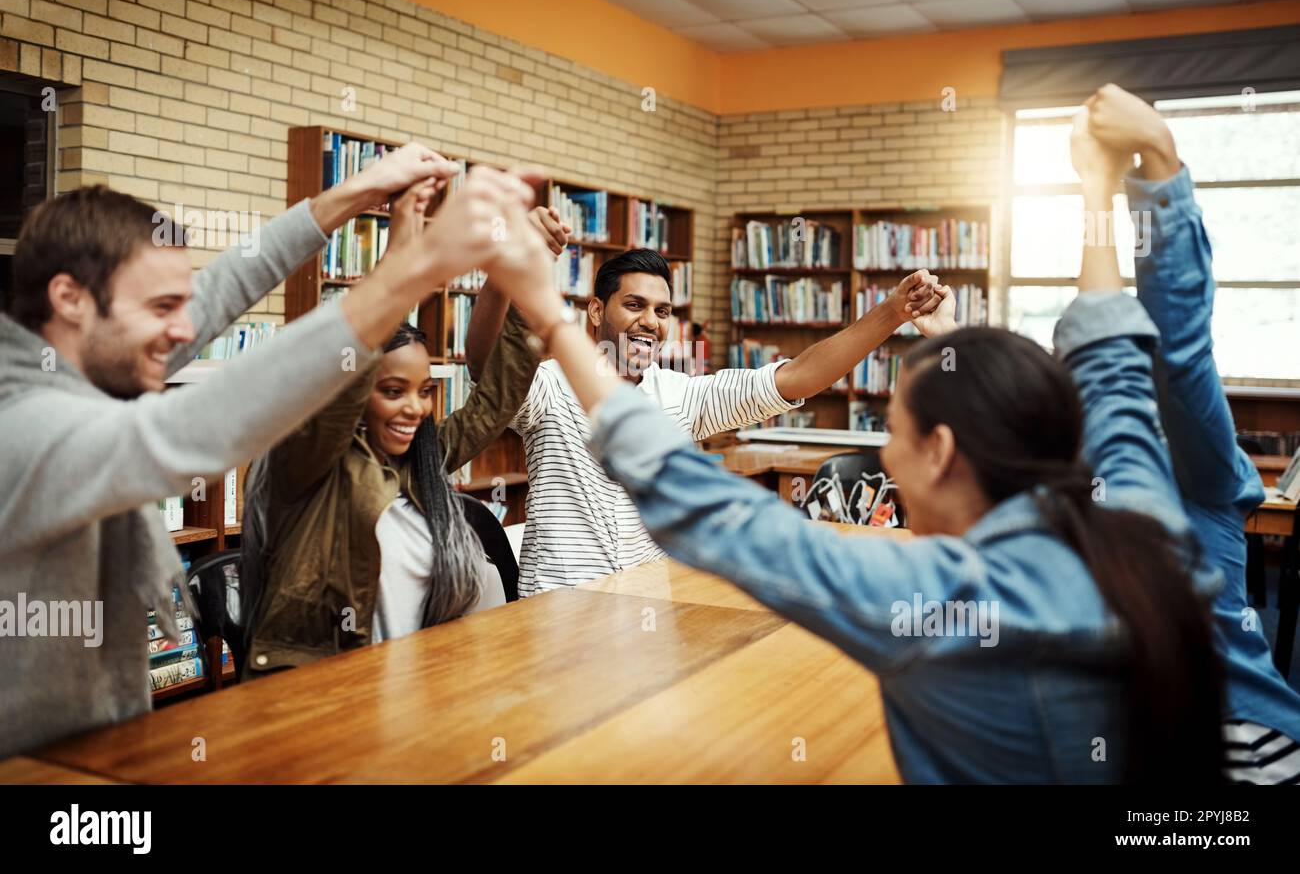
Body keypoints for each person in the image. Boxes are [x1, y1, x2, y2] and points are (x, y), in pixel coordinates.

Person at [480, 122, 1225, 782]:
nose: (884, 461)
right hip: (558, 616)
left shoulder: (929, 589)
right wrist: (1126, 177)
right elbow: (1122, 364)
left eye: (892, 433)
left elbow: (721, 506)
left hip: (640, 621)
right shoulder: (1146, 522)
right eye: (633, 306)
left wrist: (539, 302)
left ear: (940, 451)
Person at [0, 147, 540, 757]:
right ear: (70, 299)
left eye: (183, 305)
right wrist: (410, 272)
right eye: (162, 308)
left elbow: (225, 285)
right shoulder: (26, 424)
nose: (187, 332)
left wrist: (353, 195)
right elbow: (200, 425)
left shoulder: (84, 372)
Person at [239, 203, 570, 675]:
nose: (414, 408)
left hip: (414, 693)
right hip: (321, 702)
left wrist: (526, 277)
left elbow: (492, 405)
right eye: (393, 392)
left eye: (424, 391)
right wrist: (405, 256)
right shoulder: (307, 466)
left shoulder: (419, 459)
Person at [509, 246, 945, 594]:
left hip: (644, 608)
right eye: (635, 305)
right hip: (556, 604)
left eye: (662, 311)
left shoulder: (680, 394)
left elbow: (795, 377)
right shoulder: (547, 384)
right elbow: (483, 367)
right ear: (597, 311)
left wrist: (893, 313)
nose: (650, 322)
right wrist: (509, 273)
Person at [1085, 83, 1300, 783]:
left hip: (1233, 752)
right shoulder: (1106, 447)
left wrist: (1156, 159)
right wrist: (1096, 196)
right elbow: (1104, 330)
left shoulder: (1200, 471)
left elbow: (1174, 346)